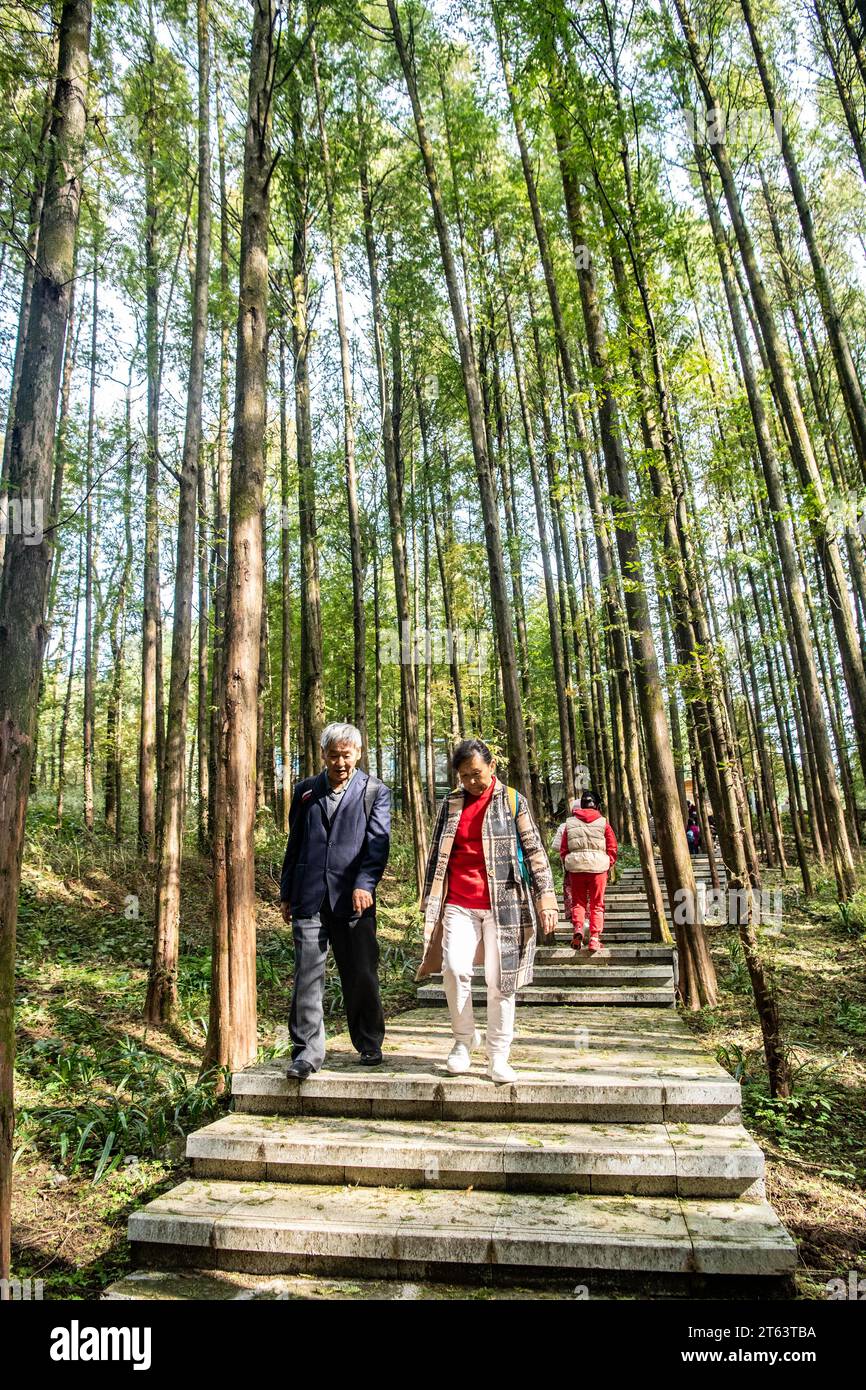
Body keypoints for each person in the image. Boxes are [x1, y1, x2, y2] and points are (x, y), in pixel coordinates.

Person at [416, 738, 559, 1085]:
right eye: (464, 776)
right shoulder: (450, 805)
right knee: (454, 969)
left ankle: (498, 1055)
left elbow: (536, 851)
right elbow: (437, 856)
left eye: (476, 774)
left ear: (492, 767)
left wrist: (547, 899)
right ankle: (464, 1041)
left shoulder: (512, 801)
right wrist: (429, 904)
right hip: (459, 903)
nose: (471, 782)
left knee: (501, 982)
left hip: (505, 904)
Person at [279, 722, 390, 1080]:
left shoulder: (374, 791)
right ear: (322, 754)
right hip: (309, 896)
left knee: (360, 973)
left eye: (346, 755)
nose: (339, 762)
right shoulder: (306, 791)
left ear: (357, 754)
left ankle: (369, 1041)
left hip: (354, 899)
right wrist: (286, 892)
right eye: (333, 755)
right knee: (307, 975)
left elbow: (378, 846)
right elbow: (294, 844)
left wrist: (365, 884)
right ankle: (307, 1054)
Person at [559, 789, 618, 954]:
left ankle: (578, 928)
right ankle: (594, 938)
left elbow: (564, 848)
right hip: (598, 869)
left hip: (576, 869)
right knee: (597, 904)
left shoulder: (570, 823)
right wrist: (609, 862)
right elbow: (612, 846)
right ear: (596, 805)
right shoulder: (603, 822)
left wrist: (568, 862)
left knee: (578, 902)